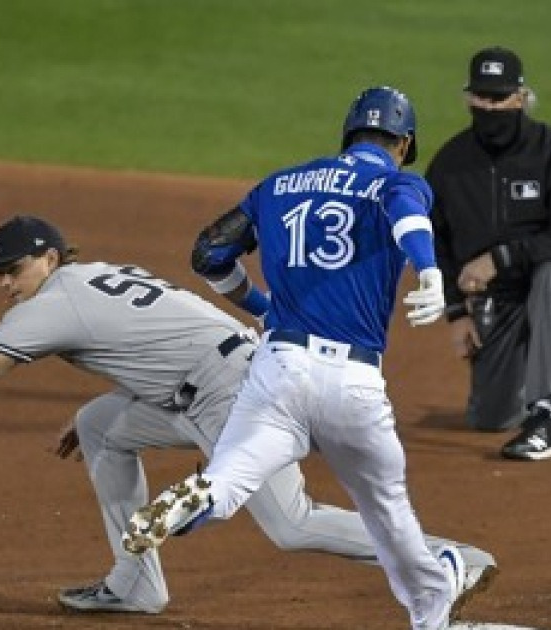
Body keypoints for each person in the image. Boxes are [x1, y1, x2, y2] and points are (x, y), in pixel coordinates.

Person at [0, 214, 496, 617]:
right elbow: (153, 345)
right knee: (98, 426)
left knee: (291, 524)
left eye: (15, 269)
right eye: (0, 275)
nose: (7, 283)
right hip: (222, 377)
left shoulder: (49, 305)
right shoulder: (95, 276)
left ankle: (447, 558)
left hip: (235, 393)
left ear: (50, 258)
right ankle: (134, 583)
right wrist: (103, 405)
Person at [123, 86, 477, 629]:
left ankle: (195, 500)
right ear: (404, 144)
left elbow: (208, 253)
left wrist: (261, 306)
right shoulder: (399, 182)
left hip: (277, 369)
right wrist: (429, 271)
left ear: (348, 134)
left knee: (231, 477)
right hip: (351, 382)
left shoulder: (279, 184)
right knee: (386, 508)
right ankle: (430, 610)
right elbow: (407, 215)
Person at [425, 46, 551, 460]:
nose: (491, 108)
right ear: (468, 98)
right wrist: (457, 312)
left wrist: (500, 258)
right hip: (505, 292)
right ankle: (523, 370)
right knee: (490, 417)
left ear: (521, 98)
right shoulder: (449, 164)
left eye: (500, 98)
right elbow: (437, 244)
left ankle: (546, 417)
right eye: (482, 97)